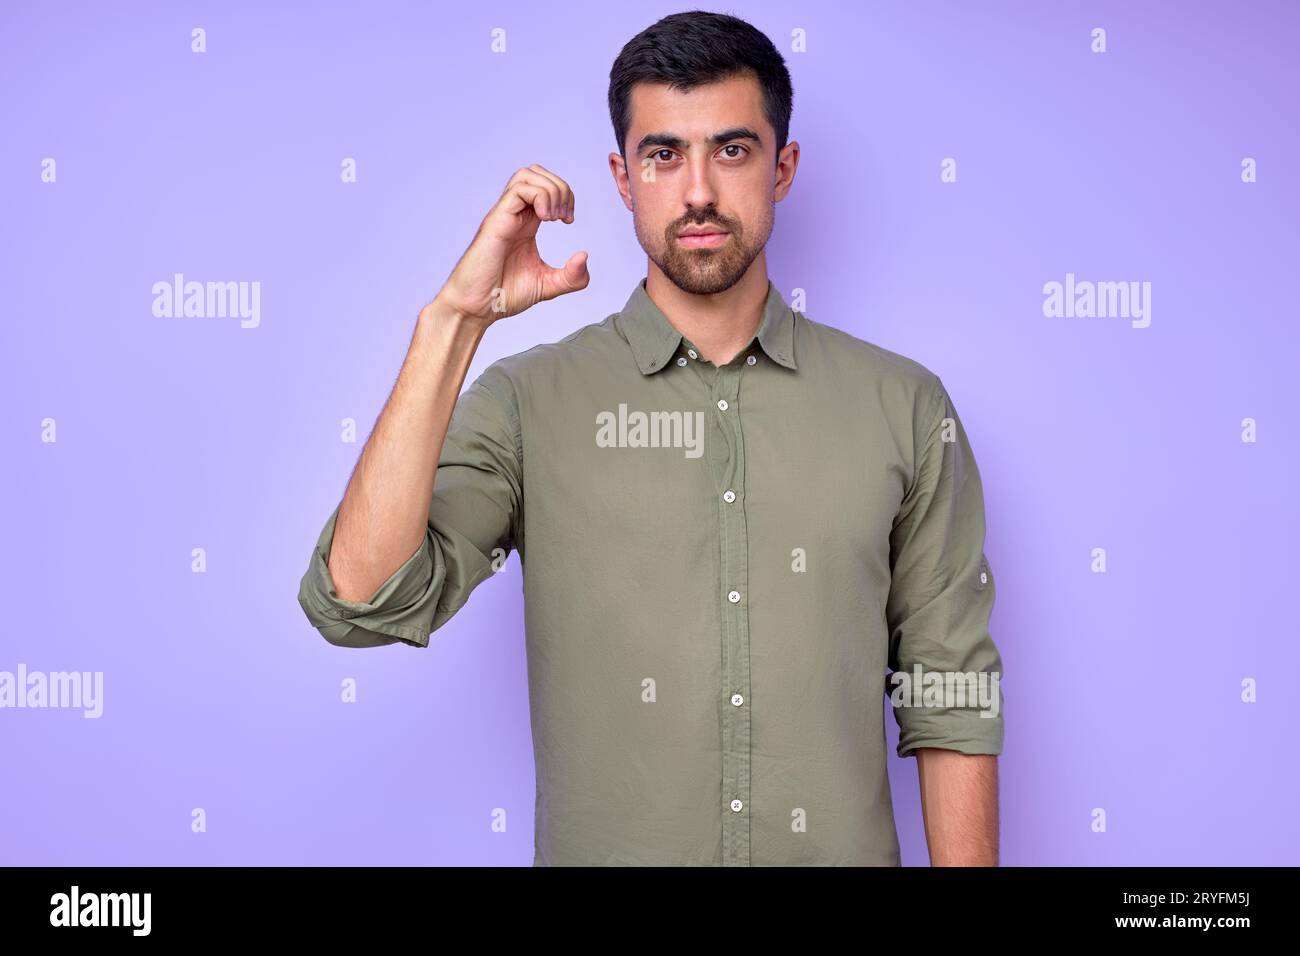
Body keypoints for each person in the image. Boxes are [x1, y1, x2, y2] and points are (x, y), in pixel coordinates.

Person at [297, 10, 1004, 867]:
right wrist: (454, 322)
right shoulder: (527, 402)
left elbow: (951, 696)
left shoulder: (905, 406)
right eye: (664, 155)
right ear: (623, 177)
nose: (698, 190)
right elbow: (360, 602)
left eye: (732, 150)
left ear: (783, 168)